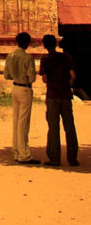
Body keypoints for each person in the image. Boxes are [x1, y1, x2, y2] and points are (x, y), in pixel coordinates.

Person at [39, 34, 79, 167]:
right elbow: (73, 75)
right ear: (56, 44)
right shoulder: (66, 57)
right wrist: (67, 83)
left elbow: (44, 78)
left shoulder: (45, 60)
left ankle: (55, 158)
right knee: (69, 127)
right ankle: (72, 158)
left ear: (44, 45)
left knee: (53, 128)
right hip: (66, 95)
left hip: (52, 96)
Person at [3, 31, 39, 164]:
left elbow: (6, 75)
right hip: (25, 88)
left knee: (16, 121)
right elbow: (32, 77)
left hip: (15, 88)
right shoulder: (27, 58)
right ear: (27, 43)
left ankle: (17, 152)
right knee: (23, 123)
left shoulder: (10, 56)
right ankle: (24, 155)